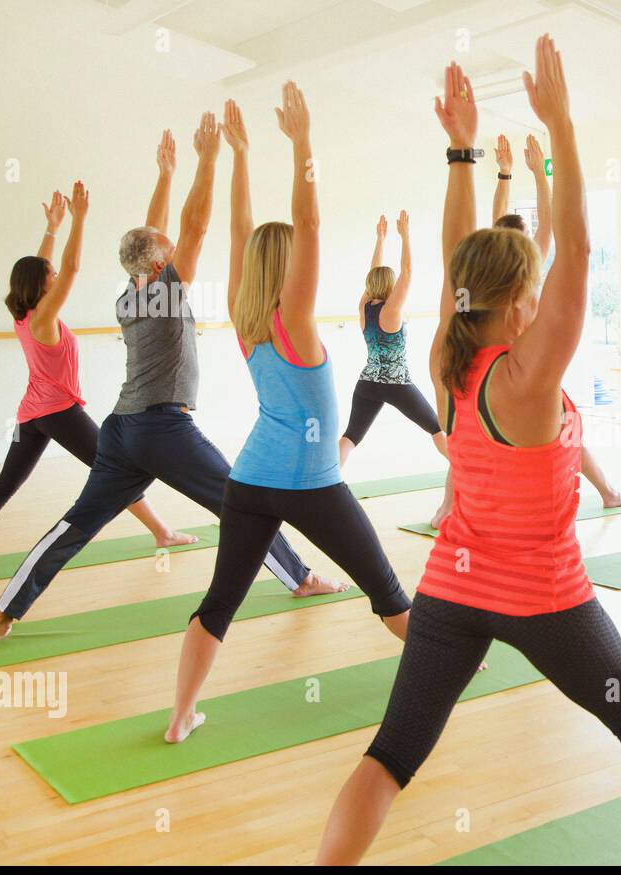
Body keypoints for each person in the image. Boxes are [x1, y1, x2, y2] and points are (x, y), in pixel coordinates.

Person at [316, 40, 621, 864]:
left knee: (393, 753)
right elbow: (581, 252)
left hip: (454, 587)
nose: (546, 295)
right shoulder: (528, 381)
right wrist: (562, 127)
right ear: (522, 301)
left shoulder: (448, 358)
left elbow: (464, 248)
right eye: (535, 287)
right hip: (546, 598)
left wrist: (461, 150)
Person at [0, 112, 339, 648]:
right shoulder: (163, 290)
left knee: (75, 525)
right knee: (245, 501)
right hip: (162, 427)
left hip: (121, 430)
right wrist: (209, 160)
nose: (175, 250)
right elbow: (192, 229)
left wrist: (166, 173)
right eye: (167, 251)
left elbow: (155, 235)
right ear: (161, 262)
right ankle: (301, 577)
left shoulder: (132, 293)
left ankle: (3, 614)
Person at [164, 93, 415, 742]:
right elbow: (309, 227)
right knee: (388, 593)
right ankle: (442, 673)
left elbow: (239, 230)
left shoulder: (249, 324)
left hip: (250, 481)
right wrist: (301, 144)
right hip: (314, 484)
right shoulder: (294, 322)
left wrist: (243, 154)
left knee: (218, 605)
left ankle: (180, 715)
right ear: (288, 269)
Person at [0, 168, 192, 572]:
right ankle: (161, 531)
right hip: (58, 413)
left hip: (30, 413)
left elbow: (45, 266)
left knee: (6, 482)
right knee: (115, 468)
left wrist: (53, 227)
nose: (55, 274)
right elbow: (68, 270)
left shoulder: (26, 313)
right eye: (48, 276)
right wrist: (81, 220)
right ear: (43, 286)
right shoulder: (44, 317)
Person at [491, 132, 621, 511]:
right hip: (532, 369)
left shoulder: (493, 271)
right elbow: (550, 225)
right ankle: (609, 492)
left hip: (500, 367)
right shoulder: (528, 264)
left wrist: (505, 175)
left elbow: (501, 224)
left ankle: (447, 506)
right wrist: (540, 174)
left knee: (476, 432)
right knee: (570, 429)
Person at [339, 210, 454, 527]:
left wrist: (379, 239)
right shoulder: (392, 310)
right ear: (390, 286)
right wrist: (404, 236)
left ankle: (327, 483)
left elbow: (372, 274)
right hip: (397, 384)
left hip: (367, 382)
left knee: (350, 437)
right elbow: (408, 271)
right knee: (436, 428)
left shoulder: (365, 307)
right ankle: (465, 467)